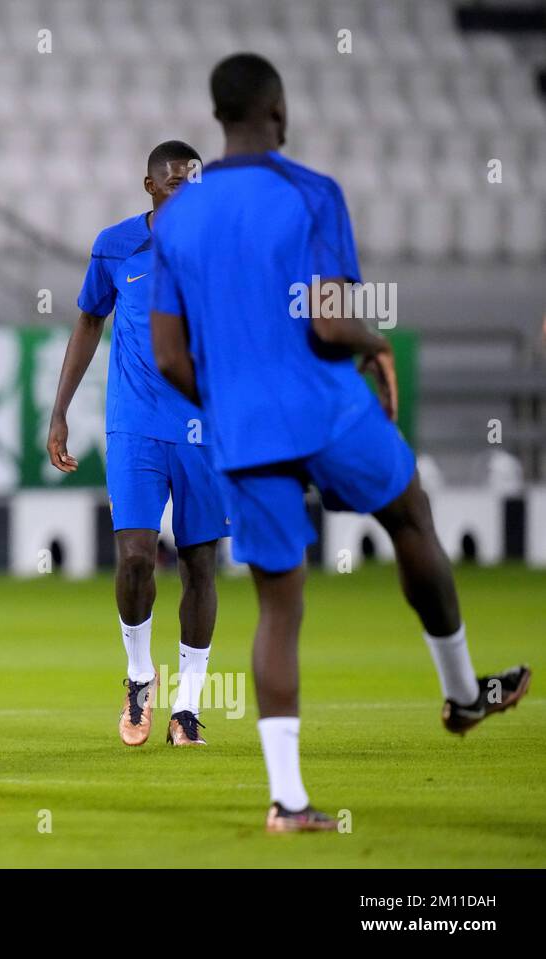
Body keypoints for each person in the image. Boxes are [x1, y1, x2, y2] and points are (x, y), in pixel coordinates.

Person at [149, 53, 531, 832]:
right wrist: (376, 342)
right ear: (278, 109)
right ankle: (461, 692)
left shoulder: (178, 215)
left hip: (244, 429)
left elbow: (167, 355)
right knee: (411, 517)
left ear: (219, 119)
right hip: (327, 409)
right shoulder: (312, 192)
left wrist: (225, 404)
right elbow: (327, 323)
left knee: (278, 607)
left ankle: (288, 800)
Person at [48, 140, 226, 748]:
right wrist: (61, 412)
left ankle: (188, 709)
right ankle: (138, 675)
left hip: (205, 430)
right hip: (135, 425)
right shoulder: (115, 245)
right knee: (134, 558)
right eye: (173, 183)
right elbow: (88, 321)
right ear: (149, 186)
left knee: (201, 563)